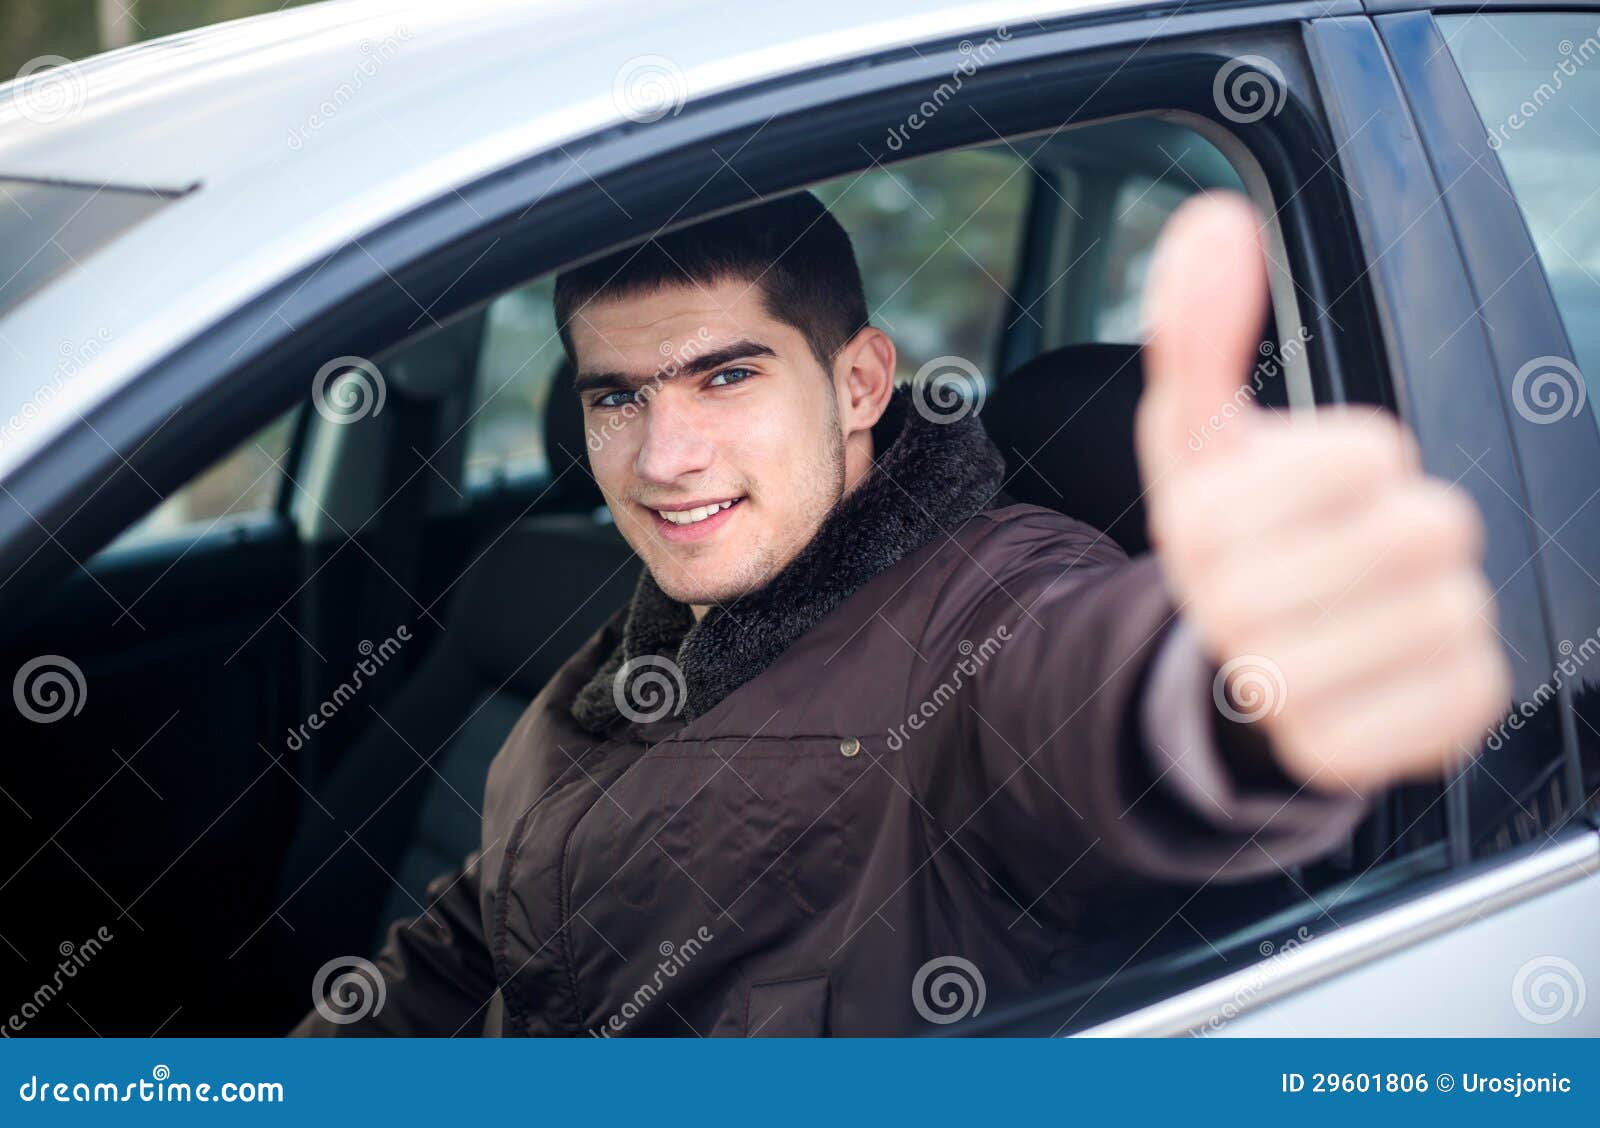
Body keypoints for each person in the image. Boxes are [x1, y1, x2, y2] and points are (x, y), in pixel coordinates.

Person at [293, 190, 1508, 1036]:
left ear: (860, 380)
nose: (663, 457)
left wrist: (1243, 678)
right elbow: (475, 936)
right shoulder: (650, 630)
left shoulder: (992, 612)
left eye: (726, 376)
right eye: (617, 398)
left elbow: (1089, 703)